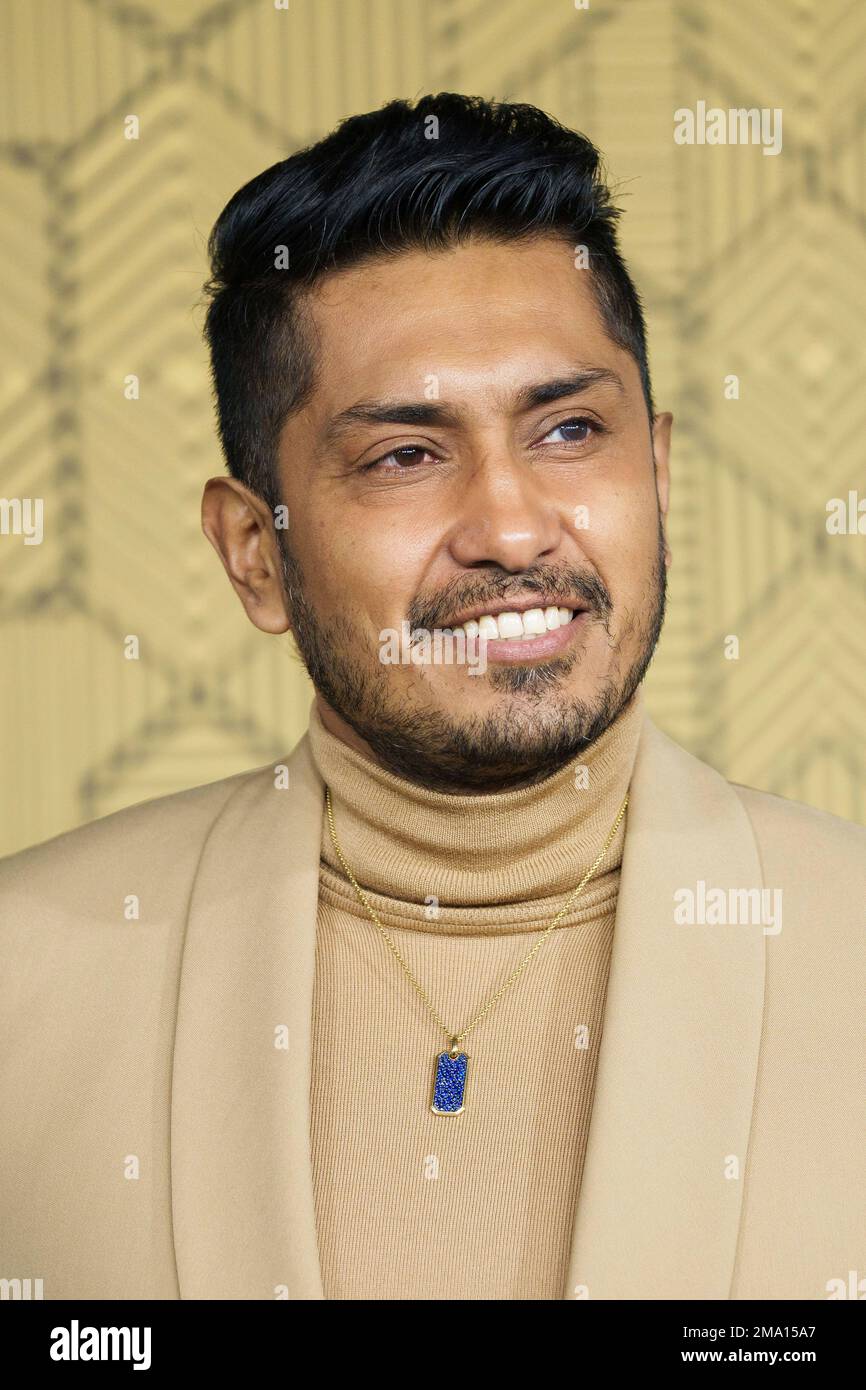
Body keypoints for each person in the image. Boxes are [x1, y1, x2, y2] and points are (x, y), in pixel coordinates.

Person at [1, 93, 863, 1302]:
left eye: (569, 429)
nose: (511, 527)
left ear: (657, 471)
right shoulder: (23, 982)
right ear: (254, 549)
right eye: (405, 455)